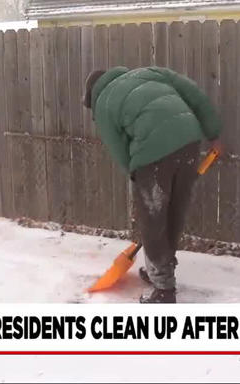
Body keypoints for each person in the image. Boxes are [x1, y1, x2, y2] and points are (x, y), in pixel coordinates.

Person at [83, 66, 222, 303]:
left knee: (153, 218)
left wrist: (136, 175)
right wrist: (214, 133)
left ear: (92, 96)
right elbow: (194, 94)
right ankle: (160, 270)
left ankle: (164, 290)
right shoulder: (149, 72)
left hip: (153, 154)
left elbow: (118, 149)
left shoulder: (103, 103)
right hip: (189, 141)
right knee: (174, 211)